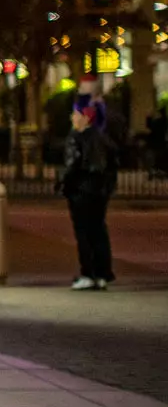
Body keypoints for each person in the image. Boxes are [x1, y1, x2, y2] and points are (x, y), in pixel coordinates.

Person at [62, 94, 119, 291]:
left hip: (81, 192)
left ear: (85, 117)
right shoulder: (103, 139)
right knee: (99, 232)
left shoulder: (76, 138)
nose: (72, 117)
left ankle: (88, 273)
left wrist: (65, 186)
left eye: (75, 113)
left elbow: (72, 166)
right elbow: (113, 167)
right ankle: (103, 273)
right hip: (100, 193)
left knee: (84, 234)